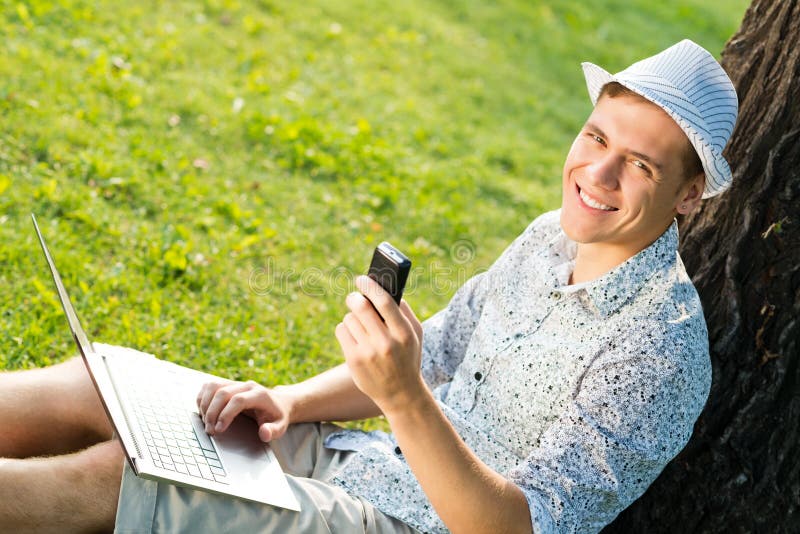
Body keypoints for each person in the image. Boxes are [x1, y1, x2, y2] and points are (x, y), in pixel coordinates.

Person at [0, 39, 737, 533]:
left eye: (640, 165)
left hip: (410, 525)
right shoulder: (551, 236)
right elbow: (441, 347)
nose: (597, 175)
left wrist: (405, 397)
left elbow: (516, 527)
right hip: (370, 470)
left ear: (687, 195)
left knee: (119, 478)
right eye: (597, 137)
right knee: (103, 387)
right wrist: (286, 403)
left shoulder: (661, 355)